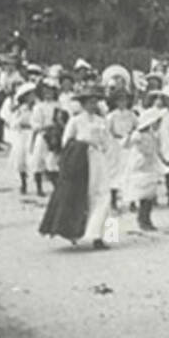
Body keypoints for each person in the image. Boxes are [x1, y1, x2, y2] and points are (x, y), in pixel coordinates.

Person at [38, 86, 115, 249]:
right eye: (89, 102)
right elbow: (66, 142)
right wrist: (81, 147)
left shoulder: (102, 121)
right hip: (80, 160)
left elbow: (108, 143)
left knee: (103, 195)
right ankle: (75, 230)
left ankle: (103, 235)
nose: (92, 105)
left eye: (95, 102)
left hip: (98, 159)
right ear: (82, 104)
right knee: (80, 194)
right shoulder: (76, 120)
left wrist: (102, 150)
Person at [1, 82, 36, 195]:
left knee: (33, 158)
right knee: (21, 158)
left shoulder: (36, 107)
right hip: (22, 134)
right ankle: (23, 182)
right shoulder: (19, 108)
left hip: (31, 133)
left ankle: (36, 181)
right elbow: (12, 121)